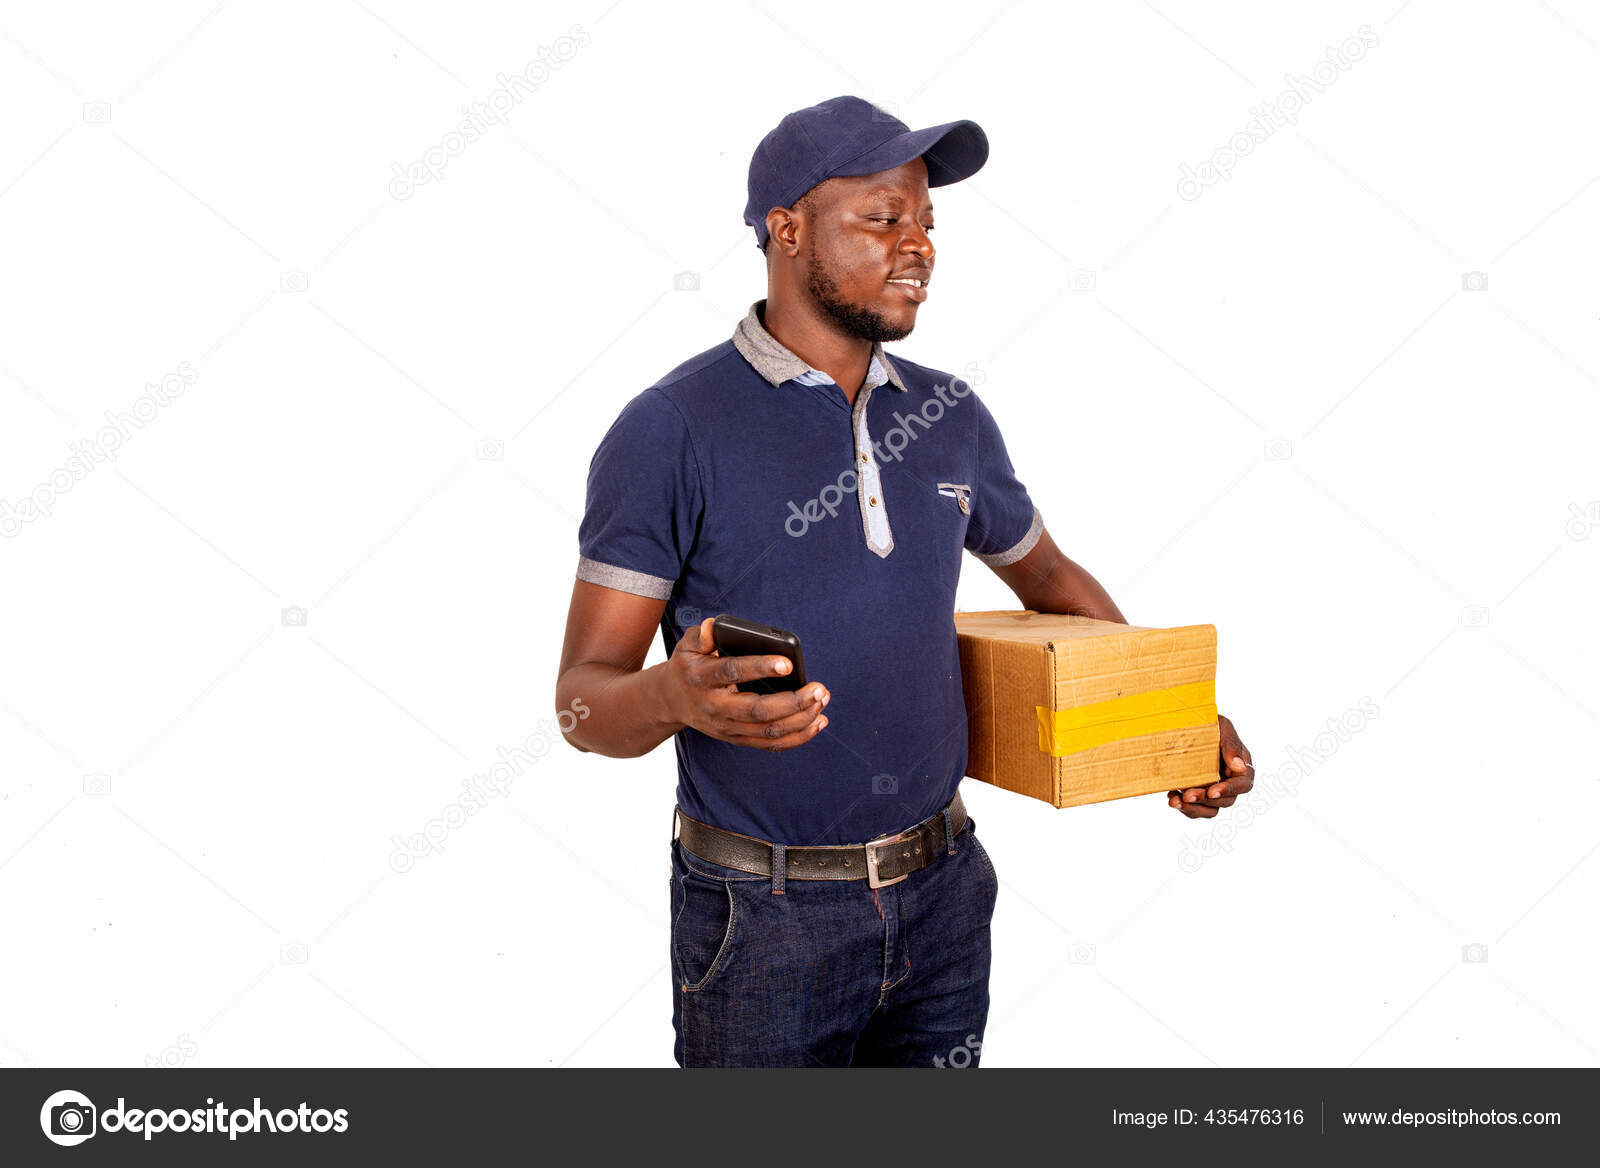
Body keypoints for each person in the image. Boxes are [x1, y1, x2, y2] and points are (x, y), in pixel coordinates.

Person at [555, 95, 1254, 1068]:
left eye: (926, 220)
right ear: (785, 230)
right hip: (762, 922)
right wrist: (677, 694)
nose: (916, 243)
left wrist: (1171, 718)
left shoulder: (949, 414)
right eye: (882, 217)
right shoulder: (670, 427)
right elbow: (579, 706)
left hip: (946, 893)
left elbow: (1048, 578)